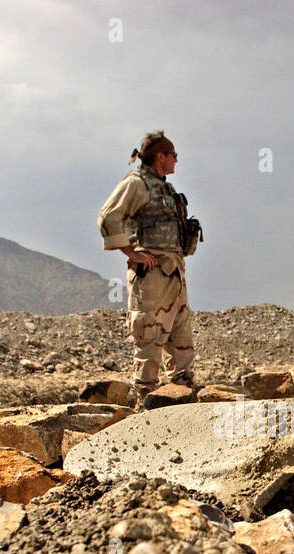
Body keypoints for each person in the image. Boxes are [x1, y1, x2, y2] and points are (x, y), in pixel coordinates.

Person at [97, 130, 202, 405]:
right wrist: (131, 253)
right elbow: (109, 217)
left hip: (174, 274)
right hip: (152, 277)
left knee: (182, 340)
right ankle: (145, 405)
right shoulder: (136, 184)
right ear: (160, 156)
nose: (176, 161)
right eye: (173, 156)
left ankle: (183, 400)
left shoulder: (163, 187)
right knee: (150, 339)